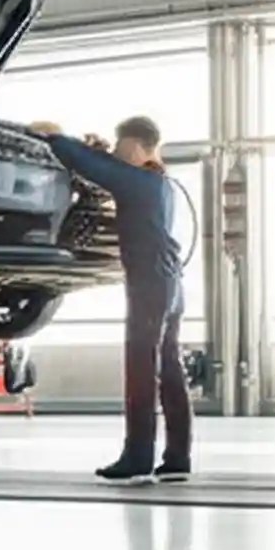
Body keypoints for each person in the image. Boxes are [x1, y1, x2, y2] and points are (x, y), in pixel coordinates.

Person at [32, 116, 192, 482]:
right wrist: (101, 152)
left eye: (121, 150)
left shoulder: (137, 182)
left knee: (140, 369)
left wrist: (57, 137)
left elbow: (90, 167)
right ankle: (178, 457)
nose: (119, 156)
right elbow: (104, 170)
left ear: (135, 147)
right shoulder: (160, 184)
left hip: (150, 284)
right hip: (171, 285)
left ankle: (137, 457)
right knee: (168, 369)